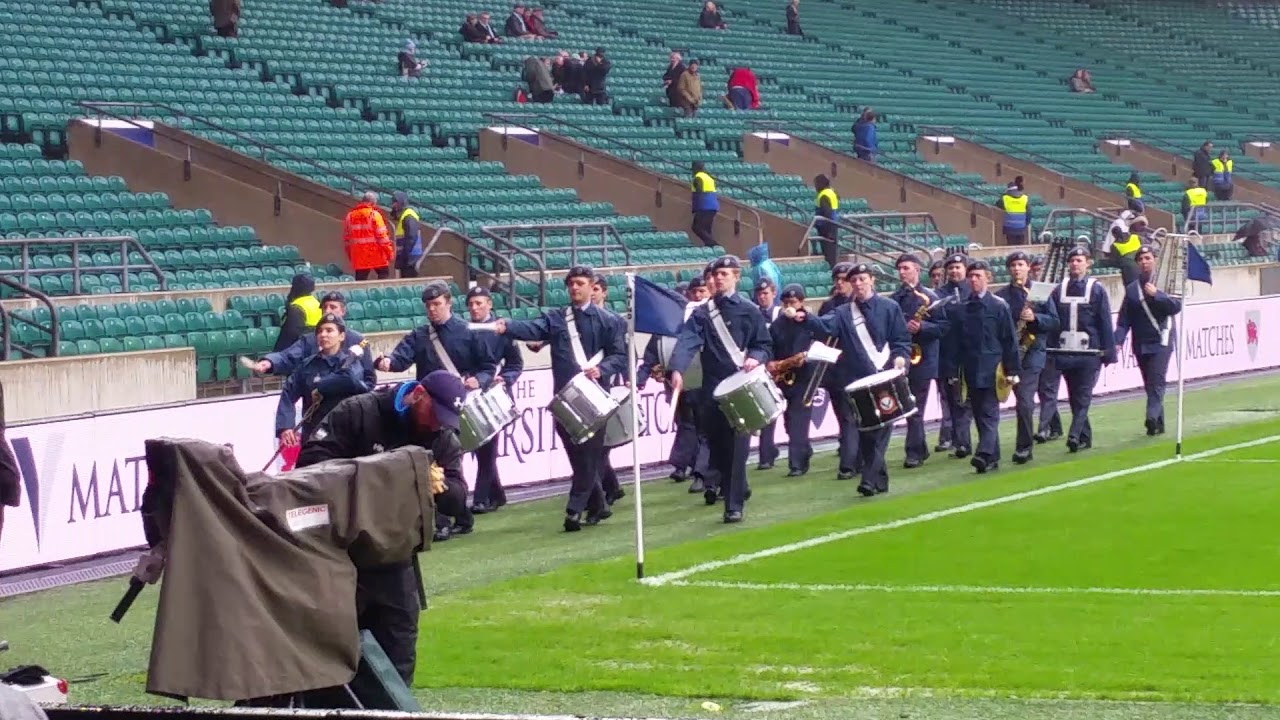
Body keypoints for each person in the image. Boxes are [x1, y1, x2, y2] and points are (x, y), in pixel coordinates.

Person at [296, 371, 469, 684]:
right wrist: (383, 474)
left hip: (395, 559)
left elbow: (458, 501)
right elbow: (308, 468)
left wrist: (436, 485)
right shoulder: (358, 411)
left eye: (445, 420)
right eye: (435, 414)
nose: (437, 425)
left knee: (399, 658)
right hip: (341, 556)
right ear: (418, 393)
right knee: (333, 658)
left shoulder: (442, 436)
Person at [493, 266, 627, 531]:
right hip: (563, 399)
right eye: (571, 284)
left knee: (589, 456)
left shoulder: (610, 322)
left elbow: (619, 356)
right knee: (578, 458)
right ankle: (598, 505)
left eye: (580, 283)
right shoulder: (557, 318)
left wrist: (603, 369)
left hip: (595, 399)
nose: (574, 288)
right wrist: (508, 326)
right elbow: (533, 328)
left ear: (591, 286)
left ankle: (574, 510)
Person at [376, 283, 488, 538]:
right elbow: (399, 360)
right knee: (428, 465)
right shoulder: (419, 335)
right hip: (426, 410)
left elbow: (487, 365)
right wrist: (386, 363)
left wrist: (478, 380)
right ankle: (441, 521)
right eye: (428, 305)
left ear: (449, 302)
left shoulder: (467, 332)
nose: (432, 309)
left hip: (455, 407)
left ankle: (460, 514)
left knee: (450, 467)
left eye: (436, 304)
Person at [667, 255, 770, 522]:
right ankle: (739, 485)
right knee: (717, 447)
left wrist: (755, 356)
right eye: (714, 275)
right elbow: (687, 341)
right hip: (711, 391)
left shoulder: (749, 309)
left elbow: (763, 343)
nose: (718, 278)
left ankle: (733, 505)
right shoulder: (702, 313)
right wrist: (677, 369)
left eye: (724, 274)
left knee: (737, 448)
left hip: (740, 389)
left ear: (736, 276)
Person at [795, 263, 911, 496]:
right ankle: (880, 481)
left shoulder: (890, 307)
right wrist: (804, 316)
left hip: (885, 378)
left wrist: (901, 359)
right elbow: (823, 327)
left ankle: (868, 480)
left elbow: (901, 339)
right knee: (867, 432)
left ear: (872, 280)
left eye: (862, 279)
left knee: (883, 429)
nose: (858, 284)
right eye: (854, 280)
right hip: (856, 381)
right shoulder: (843, 313)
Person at [1048, 247, 1117, 452]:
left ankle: (1074, 434)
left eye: (1079, 260)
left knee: (1083, 396)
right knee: (1074, 396)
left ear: (1088, 263)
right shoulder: (1059, 288)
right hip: (1065, 352)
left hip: (1090, 353)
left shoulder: (1096, 289)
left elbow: (1104, 321)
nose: (1075, 264)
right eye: (1072, 261)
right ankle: (1085, 437)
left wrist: (1108, 353)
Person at [954, 260, 1020, 474]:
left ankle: (983, 453)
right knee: (979, 414)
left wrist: (1013, 370)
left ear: (988, 278)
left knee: (989, 413)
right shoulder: (963, 307)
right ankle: (993, 456)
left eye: (978, 276)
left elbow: (1009, 340)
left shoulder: (998, 305)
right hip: (971, 369)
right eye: (971, 276)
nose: (973, 280)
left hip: (993, 369)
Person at [275, 313, 371, 456]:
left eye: (329, 330)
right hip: (314, 436)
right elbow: (288, 393)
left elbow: (349, 380)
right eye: (319, 331)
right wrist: (285, 426)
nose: (323, 334)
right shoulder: (307, 365)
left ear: (342, 336)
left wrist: (320, 385)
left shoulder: (352, 364)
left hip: (345, 435)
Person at [995, 251, 1059, 464]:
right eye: (1013, 265)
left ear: (1028, 267)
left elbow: (1054, 321)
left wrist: (1035, 318)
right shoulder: (1002, 296)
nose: (1016, 268)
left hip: (1032, 352)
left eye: (1020, 264)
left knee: (1024, 400)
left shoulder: (1039, 292)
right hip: (1010, 354)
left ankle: (1024, 447)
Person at [1114, 245, 1182, 436]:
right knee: (1149, 382)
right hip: (1141, 342)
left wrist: (1157, 295)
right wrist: (1118, 340)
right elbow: (1124, 319)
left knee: (1157, 380)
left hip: (1162, 340)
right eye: (1141, 259)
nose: (1144, 262)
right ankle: (1159, 422)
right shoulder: (1132, 289)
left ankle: (1151, 417)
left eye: (1148, 258)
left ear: (1155, 260)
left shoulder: (1165, 283)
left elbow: (1175, 306)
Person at [466, 286, 523, 514]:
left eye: (479, 303)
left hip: (494, 394)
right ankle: (496, 494)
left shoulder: (502, 330)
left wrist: (505, 379)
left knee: (487, 446)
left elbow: (515, 364)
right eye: (471, 304)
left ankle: (481, 498)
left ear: (489, 304)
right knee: (482, 447)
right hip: (471, 393)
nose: (474, 308)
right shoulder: (465, 329)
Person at [890, 253, 947, 469]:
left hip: (924, 359)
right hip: (902, 359)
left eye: (906, 268)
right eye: (900, 269)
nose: (902, 272)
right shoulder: (894, 299)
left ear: (917, 270)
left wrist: (922, 327)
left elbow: (943, 327)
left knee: (915, 407)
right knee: (909, 405)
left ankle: (913, 452)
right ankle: (920, 447)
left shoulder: (931, 297)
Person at [256, 291, 376, 387]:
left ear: (343, 311)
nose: (327, 310)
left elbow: (369, 378)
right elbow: (287, 356)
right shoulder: (309, 340)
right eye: (324, 307)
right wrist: (269, 362)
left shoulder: (358, 340)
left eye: (333, 307)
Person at [818, 261, 860, 478]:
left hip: (857, 367)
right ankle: (849, 455)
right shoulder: (828, 306)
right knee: (844, 417)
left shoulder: (859, 304)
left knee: (854, 417)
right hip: (835, 369)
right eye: (837, 279)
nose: (840, 283)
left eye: (845, 279)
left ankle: (850, 461)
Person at [768, 284, 814, 475]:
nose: (789, 306)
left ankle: (796, 464)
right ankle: (804, 450)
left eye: (793, 302)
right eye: (786, 302)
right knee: (789, 422)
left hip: (804, 378)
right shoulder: (777, 325)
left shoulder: (811, 322)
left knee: (798, 420)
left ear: (801, 302)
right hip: (783, 378)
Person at [591, 274, 627, 506]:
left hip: (608, 385)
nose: (592, 293)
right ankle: (611, 487)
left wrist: (628, 380)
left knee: (601, 445)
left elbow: (624, 353)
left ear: (604, 292)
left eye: (596, 288)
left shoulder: (615, 320)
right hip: (587, 386)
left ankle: (605, 490)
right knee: (597, 446)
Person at [937, 253, 973, 458]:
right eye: (950, 268)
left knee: (970, 401)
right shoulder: (939, 294)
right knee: (954, 401)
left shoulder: (973, 290)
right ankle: (961, 442)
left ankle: (967, 441)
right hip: (949, 356)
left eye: (958, 267)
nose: (954, 271)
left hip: (972, 355)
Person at [753, 278, 781, 470]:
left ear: (773, 293)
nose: (763, 297)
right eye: (760, 294)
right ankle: (765, 454)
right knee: (764, 411)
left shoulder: (780, 314)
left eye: (766, 293)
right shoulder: (753, 314)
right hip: (760, 369)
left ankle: (770, 450)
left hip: (780, 368)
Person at [343, 192, 394, 281]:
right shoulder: (374, 215)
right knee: (384, 275)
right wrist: (389, 253)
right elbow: (383, 238)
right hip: (376, 255)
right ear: (372, 203)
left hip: (359, 256)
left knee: (360, 282)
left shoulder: (350, 216)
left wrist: (351, 256)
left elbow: (346, 240)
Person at [273, 273, 321, 352]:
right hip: (313, 346)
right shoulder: (317, 302)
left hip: (299, 350)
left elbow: (291, 335)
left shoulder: (296, 306)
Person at [390, 191, 423, 277]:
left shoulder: (409, 216)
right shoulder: (404, 215)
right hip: (407, 257)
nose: (393, 205)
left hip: (410, 258)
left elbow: (411, 237)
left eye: (395, 202)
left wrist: (403, 257)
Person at [690, 161, 719, 247]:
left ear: (696, 168)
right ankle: (710, 246)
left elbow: (700, 191)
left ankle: (713, 244)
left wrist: (696, 208)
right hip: (713, 206)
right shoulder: (709, 177)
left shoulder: (698, 178)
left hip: (704, 206)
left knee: (696, 227)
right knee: (706, 229)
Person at [813, 174, 840, 267]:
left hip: (827, 227)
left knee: (829, 253)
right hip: (833, 224)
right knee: (832, 252)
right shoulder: (831, 192)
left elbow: (826, 212)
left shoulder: (824, 195)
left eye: (816, 183)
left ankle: (832, 269)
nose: (815, 186)